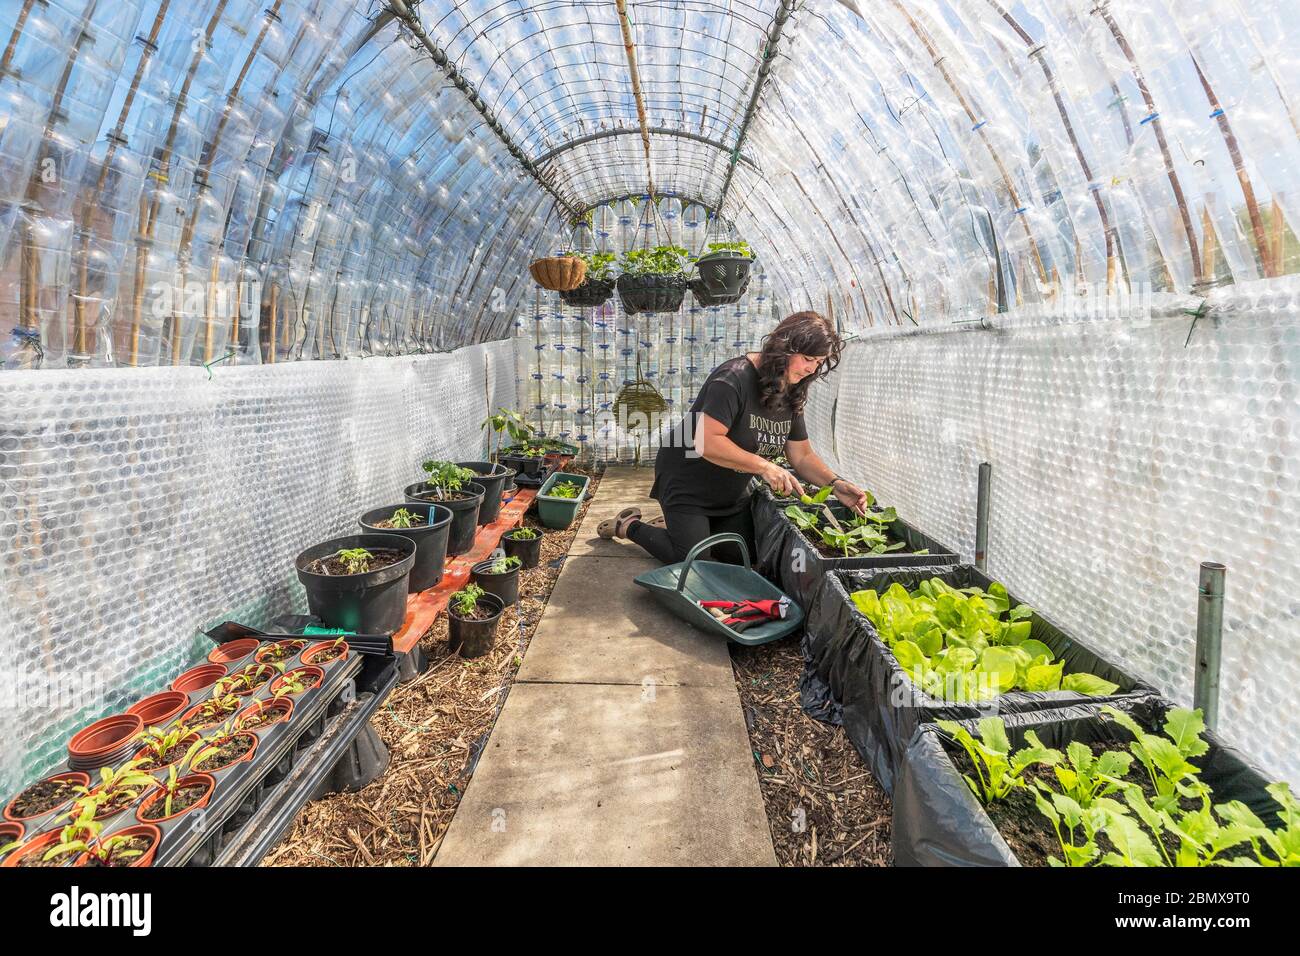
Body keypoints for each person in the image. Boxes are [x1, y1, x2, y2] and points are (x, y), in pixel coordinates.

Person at [598, 310, 868, 565]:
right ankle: (629, 525)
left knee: (746, 556)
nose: (812, 369)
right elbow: (707, 442)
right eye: (808, 359)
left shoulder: (790, 388)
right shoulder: (734, 378)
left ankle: (681, 526)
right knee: (693, 561)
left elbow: (802, 455)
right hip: (687, 481)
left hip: (730, 491)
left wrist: (835, 484)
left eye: (819, 363)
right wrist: (764, 466)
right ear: (784, 348)